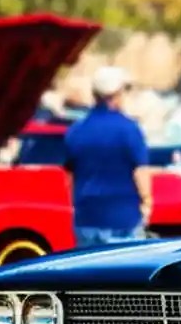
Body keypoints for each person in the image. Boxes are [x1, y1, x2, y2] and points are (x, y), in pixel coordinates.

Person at [63, 66, 152, 247]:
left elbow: (70, 175)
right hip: (123, 218)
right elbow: (140, 171)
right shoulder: (129, 129)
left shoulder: (76, 130)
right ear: (117, 94)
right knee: (126, 274)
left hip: (87, 218)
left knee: (90, 273)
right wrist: (147, 202)